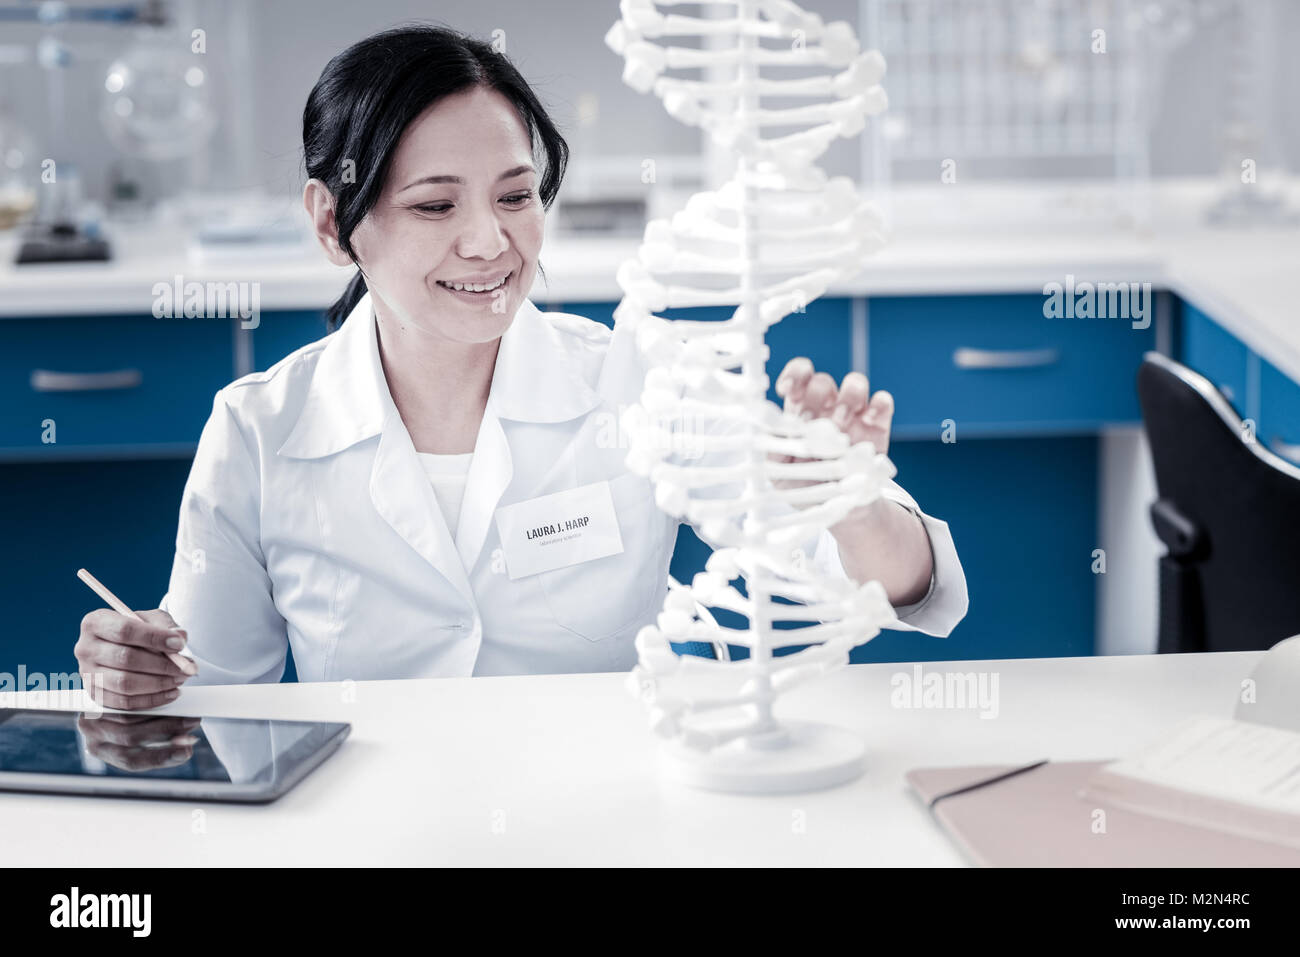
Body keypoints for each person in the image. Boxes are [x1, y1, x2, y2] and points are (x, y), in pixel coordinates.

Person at [75, 24, 967, 712]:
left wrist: (847, 503)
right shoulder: (259, 429)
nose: (489, 241)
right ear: (330, 222)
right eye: (434, 204)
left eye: (515, 195)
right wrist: (139, 672)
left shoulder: (637, 380)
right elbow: (212, 698)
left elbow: (882, 594)